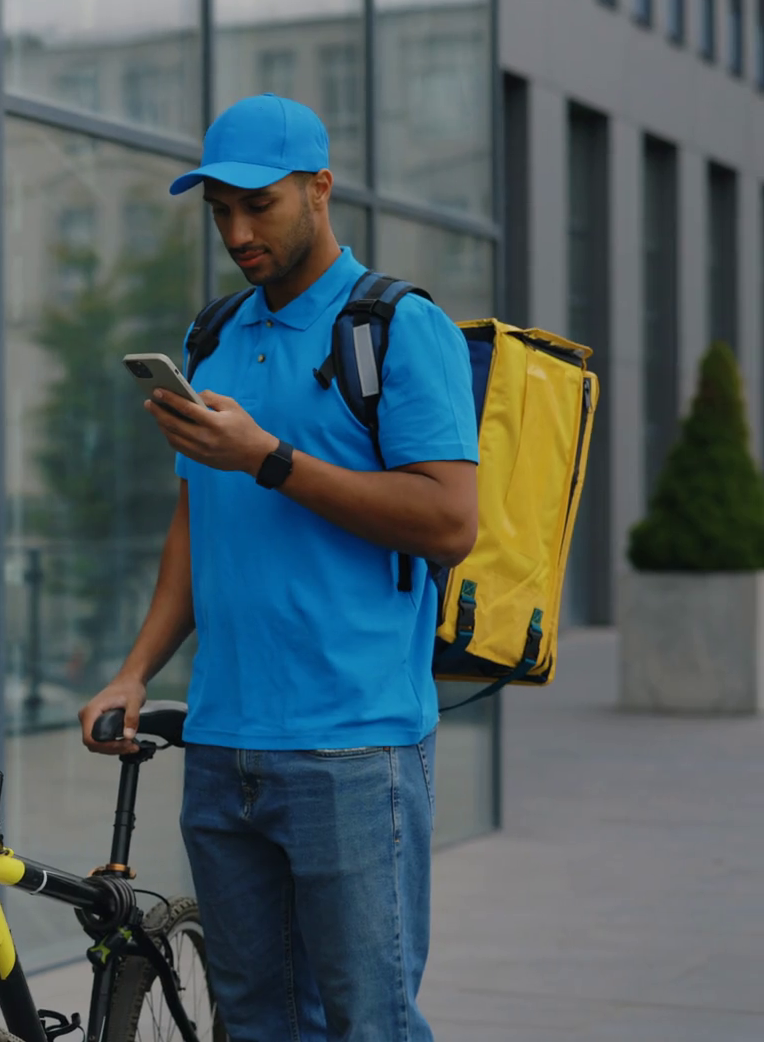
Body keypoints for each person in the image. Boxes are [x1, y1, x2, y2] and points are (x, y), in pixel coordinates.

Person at [77, 93, 480, 1042]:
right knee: (253, 1024)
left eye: (258, 205)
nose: (238, 230)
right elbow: (196, 523)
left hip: (352, 744)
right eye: (220, 209)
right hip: (223, 744)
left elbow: (450, 521)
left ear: (320, 188)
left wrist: (269, 457)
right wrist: (137, 671)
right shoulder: (213, 335)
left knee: (366, 1023)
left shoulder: (393, 326)